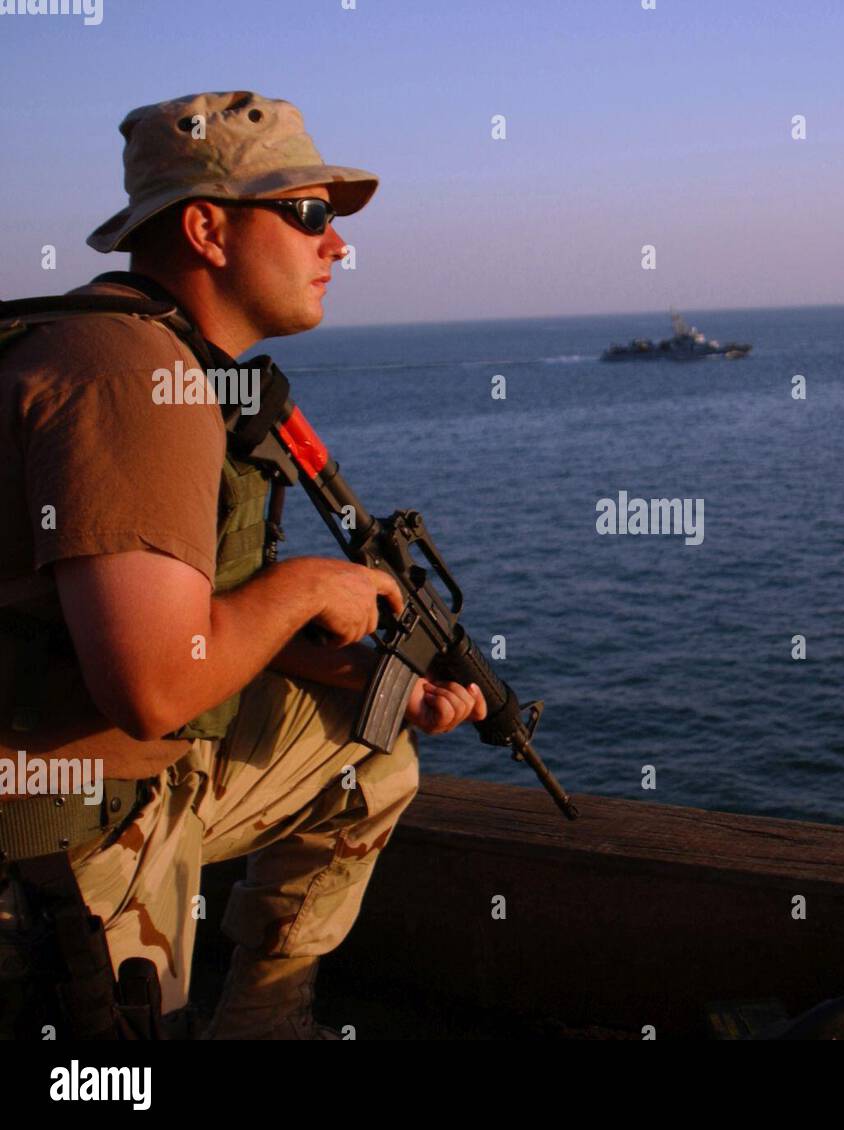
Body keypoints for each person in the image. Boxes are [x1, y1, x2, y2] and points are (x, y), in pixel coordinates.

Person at [0, 91, 486, 1039]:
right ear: (206, 229)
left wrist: (363, 674)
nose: (336, 245)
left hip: (87, 775)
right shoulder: (137, 379)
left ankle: (265, 1022)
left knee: (372, 744)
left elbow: (151, 617)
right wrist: (307, 584)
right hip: (61, 840)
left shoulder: (124, 344)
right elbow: (148, 685)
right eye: (309, 215)